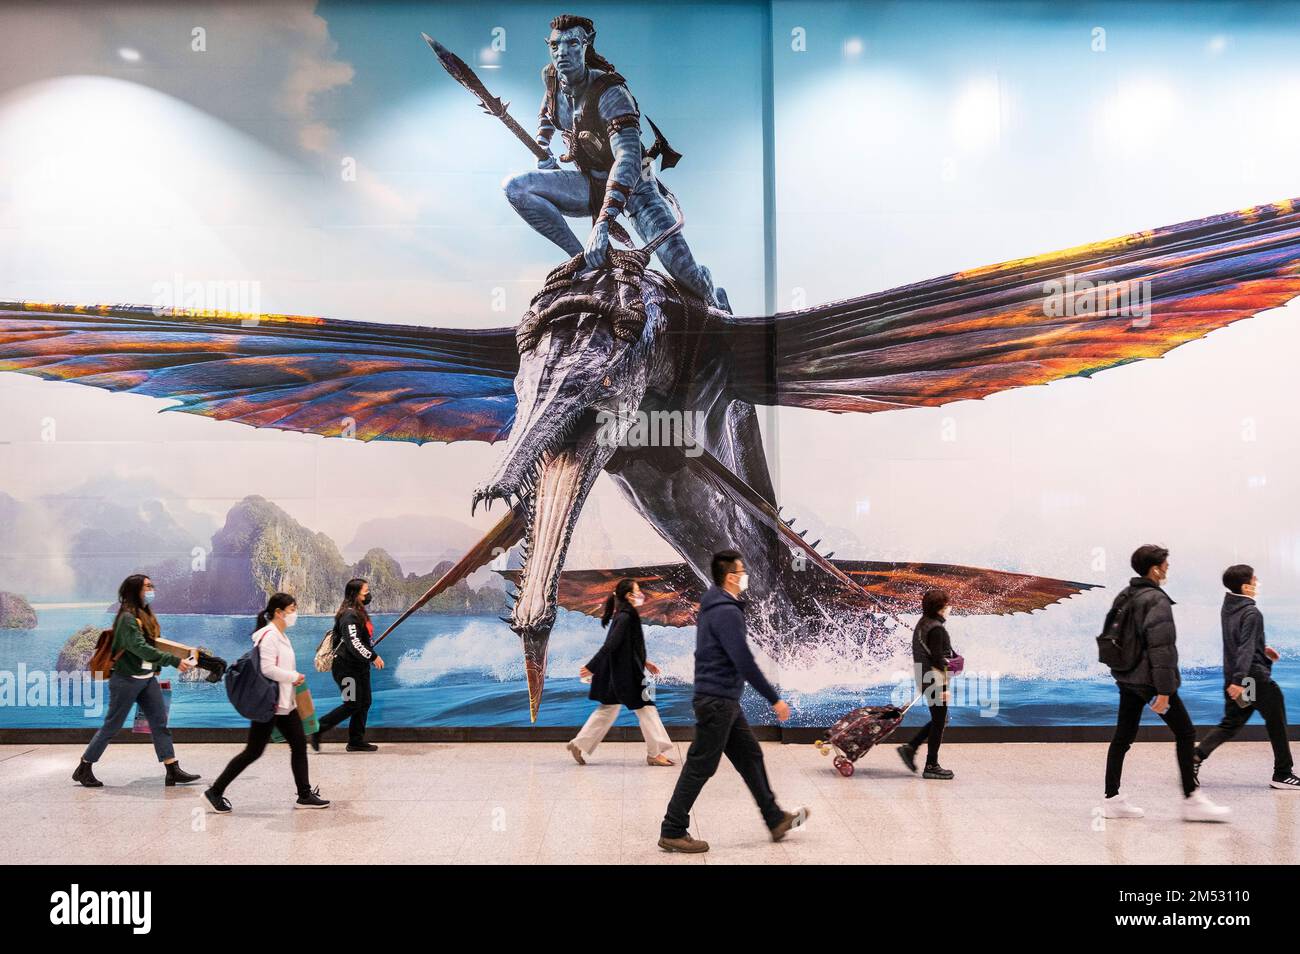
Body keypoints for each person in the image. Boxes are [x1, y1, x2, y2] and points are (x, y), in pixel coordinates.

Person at [502, 13, 730, 311]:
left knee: (684, 274)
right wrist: (541, 148)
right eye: (556, 45)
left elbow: (628, 159)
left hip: (637, 189)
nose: (563, 53)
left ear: (587, 46)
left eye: (572, 44)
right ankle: (585, 261)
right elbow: (547, 114)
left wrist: (603, 224)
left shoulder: (611, 93)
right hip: (590, 182)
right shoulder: (552, 79)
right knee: (517, 188)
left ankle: (714, 296)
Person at [658, 550, 809, 853]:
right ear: (730, 577)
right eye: (741, 572)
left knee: (750, 756)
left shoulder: (713, 603)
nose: (745, 576)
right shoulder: (726, 611)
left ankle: (775, 818)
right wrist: (774, 699)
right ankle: (673, 828)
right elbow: (743, 660)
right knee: (701, 765)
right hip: (718, 700)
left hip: (722, 699)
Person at [1101, 545, 1231, 822]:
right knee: (1185, 732)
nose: (1168, 567)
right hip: (1149, 681)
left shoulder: (1125, 595)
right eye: (1165, 564)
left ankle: (1112, 799)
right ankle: (1191, 799)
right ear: (1155, 568)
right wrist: (1164, 690)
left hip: (1127, 677)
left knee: (1123, 736)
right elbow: (1161, 648)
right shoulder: (1155, 599)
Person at [73, 574, 201, 788]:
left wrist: (161, 664)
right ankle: (84, 767)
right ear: (135, 591)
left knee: (160, 723)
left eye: (152, 585)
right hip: (126, 680)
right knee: (112, 727)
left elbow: (153, 645)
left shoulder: (146, 615)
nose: (151, 590)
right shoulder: (127, 618)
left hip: (147, 680)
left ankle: (172, 769)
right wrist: (173, 660)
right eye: (147, 587)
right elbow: (139, 648)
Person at [204, 593, 329, 812]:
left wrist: (292, 680)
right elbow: (267, 669)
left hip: (284, 704)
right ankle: (215, 791)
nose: (294, 613)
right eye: (291, 609)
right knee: (253, 751)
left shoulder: (280, 635)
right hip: (270, 704)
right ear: (279, 613)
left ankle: (304, 795)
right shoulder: (270, 635)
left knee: (298, 745)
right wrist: (294, 676)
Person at [1194, 565, 1299, 790]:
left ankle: (1194, 758)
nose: (1257, 583)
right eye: (1255, 580)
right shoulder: (1252, 612)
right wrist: (1239, 681)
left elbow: (1242, 639)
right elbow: (1244, 647)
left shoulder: (1228, 607)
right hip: (1254, 681)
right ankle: (1283, 773)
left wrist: (1262, 647)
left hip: (1241, 680)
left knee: (1233, 721)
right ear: (1245, 586)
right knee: (1277, 721)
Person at [567, 578, 675, 767]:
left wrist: (647, 663)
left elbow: (628, 646)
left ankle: (579, 743)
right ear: (629, 596)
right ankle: (655, 754)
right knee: (647, 709)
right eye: (638, 590)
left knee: (608, 709)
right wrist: (591, 666)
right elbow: (611, 645)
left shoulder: (625, 614)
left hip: (621, 674)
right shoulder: (626, 616)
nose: (641, 594)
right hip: (630, 676)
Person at [312, 578, 384, 753]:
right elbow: (354, 643)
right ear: (355, 594)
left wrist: (369, 652)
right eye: (365, 592)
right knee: (351, 703)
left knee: (364, 702)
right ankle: (317, 730)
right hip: (345, 669)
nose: (368, 594)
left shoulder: (359, 613)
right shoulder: (349, 615)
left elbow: (363, 640)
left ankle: (355, 741)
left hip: (359, 668)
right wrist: (373, 656)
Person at [896, 588, 956, 779]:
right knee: (940, 721)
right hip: (934, 678)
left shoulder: (923, 623)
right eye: (947, 604)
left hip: (923, 676)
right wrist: (944, 687)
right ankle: (931, 764)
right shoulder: (936, 628)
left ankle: (911, 748)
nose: (949, 607)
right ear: (940, 608)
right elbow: (938, 659)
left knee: (941, 719)